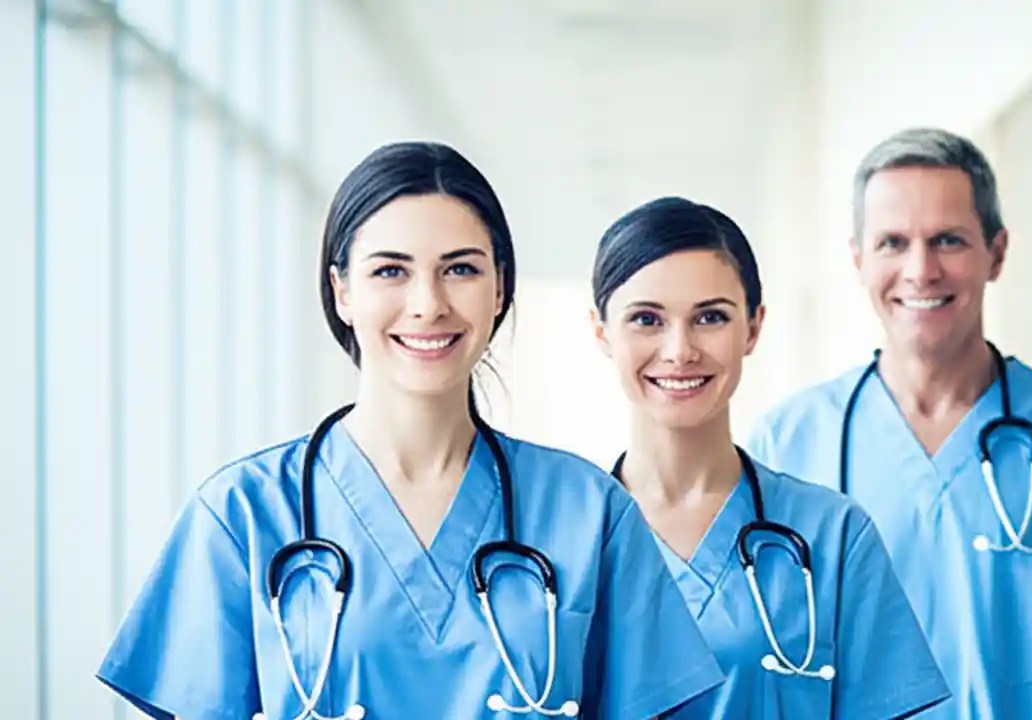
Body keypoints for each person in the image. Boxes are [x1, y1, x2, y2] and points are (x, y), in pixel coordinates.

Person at [97, 142, 724, 720]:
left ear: (501, 287)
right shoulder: (246, 513)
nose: (428, 304)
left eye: (461, 270)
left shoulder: (589, 512)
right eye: (390, 271)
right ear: (341, 290)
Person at [747, 127, 1032, 719]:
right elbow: (759, 668)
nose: (920, 270)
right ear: (858, 259)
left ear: (998, 252)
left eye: (948, 240)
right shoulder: (787, 443)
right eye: (892, 242)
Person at [590, 196, 950, 719]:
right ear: (602, 332)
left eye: (710, 317)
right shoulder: (565, 540)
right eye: (646, 319)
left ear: (753, 328)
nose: (680, 350)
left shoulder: (832, 535)